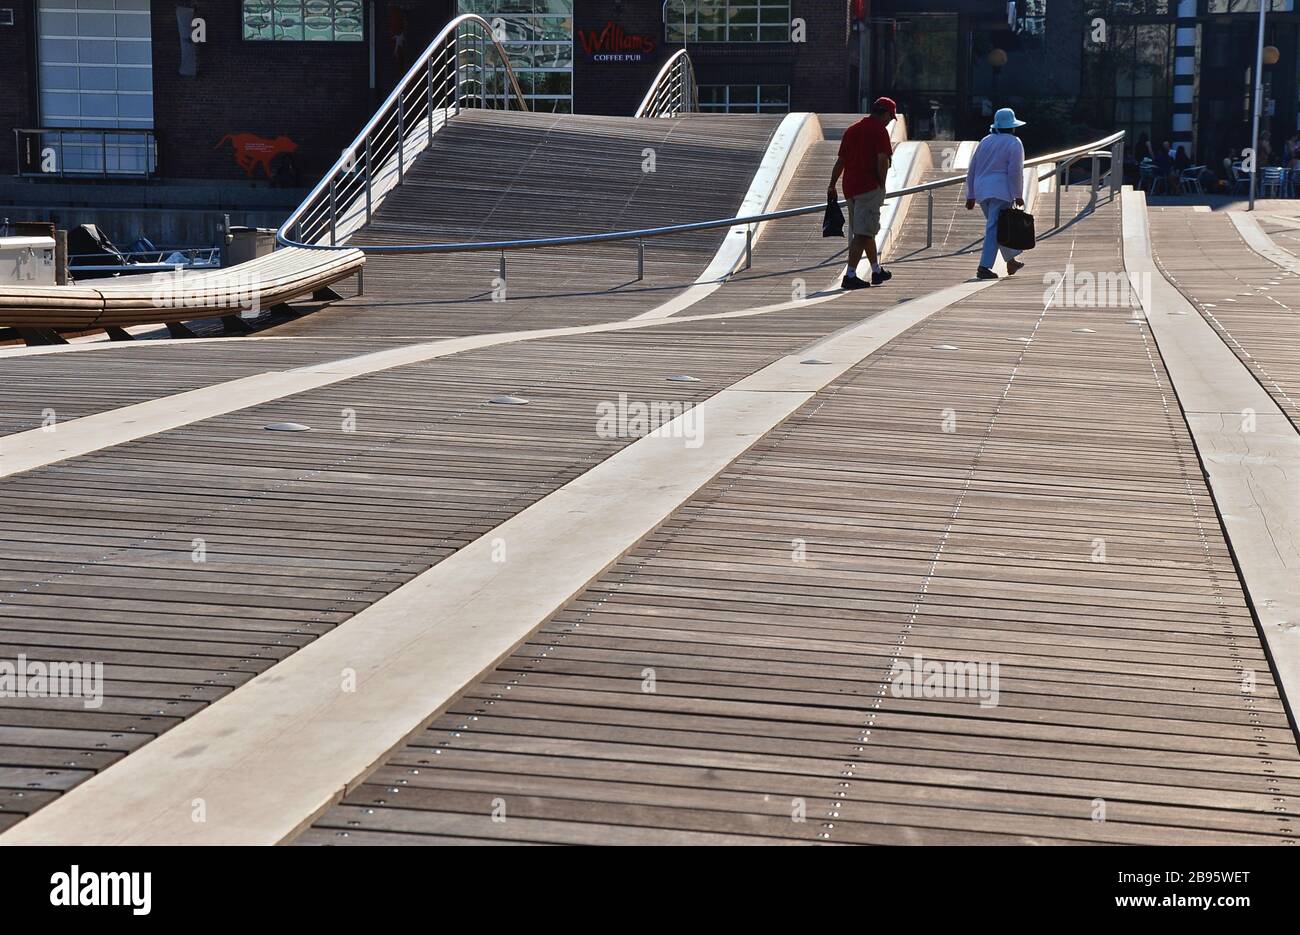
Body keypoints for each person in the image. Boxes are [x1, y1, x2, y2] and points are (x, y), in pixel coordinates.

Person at [828, 97, 896, 289]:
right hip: (869, 188)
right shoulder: (879, 131)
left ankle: (876, 271)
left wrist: (832, 184)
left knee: (865, 231)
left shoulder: (852, 130)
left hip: (849, 187)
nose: (890, 121)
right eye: (890, 117)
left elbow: (840, 161)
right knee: (862, 233)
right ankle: (850, 275)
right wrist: (881, 184)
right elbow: (883, 159)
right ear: (884, 113)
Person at [965, 106, 1026, 280]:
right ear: (1012, 126)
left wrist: (970, 195)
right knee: (994, 229)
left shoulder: (985, 140)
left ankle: (1011, 260)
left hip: (982, 190)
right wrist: (1018, 194)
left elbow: (973, 168)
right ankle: (984, 267)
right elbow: (1015, 171)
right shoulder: (1014, 142)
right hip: (1001, 190)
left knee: (997, 227)